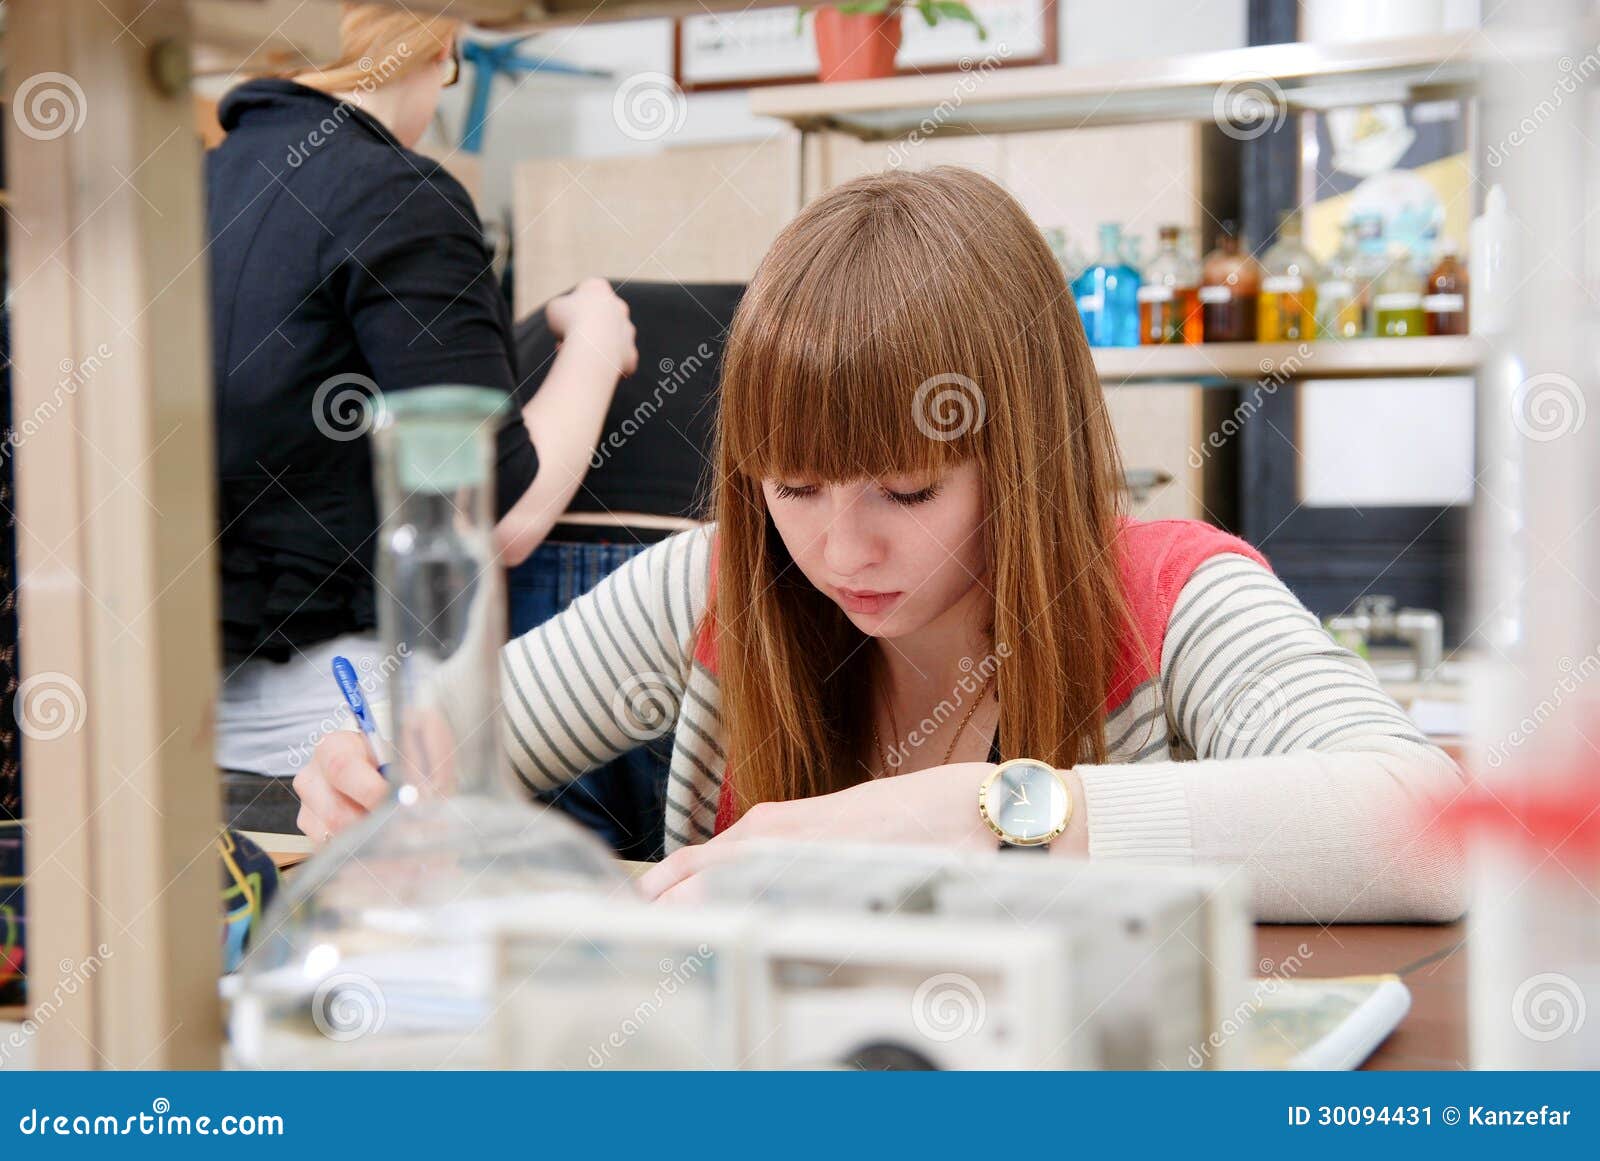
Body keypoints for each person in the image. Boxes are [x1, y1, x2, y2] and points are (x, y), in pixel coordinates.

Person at [294, 167, 1467, 923]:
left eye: (907, 489)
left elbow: (1424, 829)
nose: (838, 547)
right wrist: (372, 781)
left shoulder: (1169, 598)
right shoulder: (709, 585)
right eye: (792, 485)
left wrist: (977, 816)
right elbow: (435, 750)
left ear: (1026, 453)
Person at [206, 3, 636, 831]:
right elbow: (491, 516)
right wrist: (594, 338)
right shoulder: (393, 193)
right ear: (439, 46)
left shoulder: (178, 189)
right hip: (346, 741)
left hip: (169, 735)